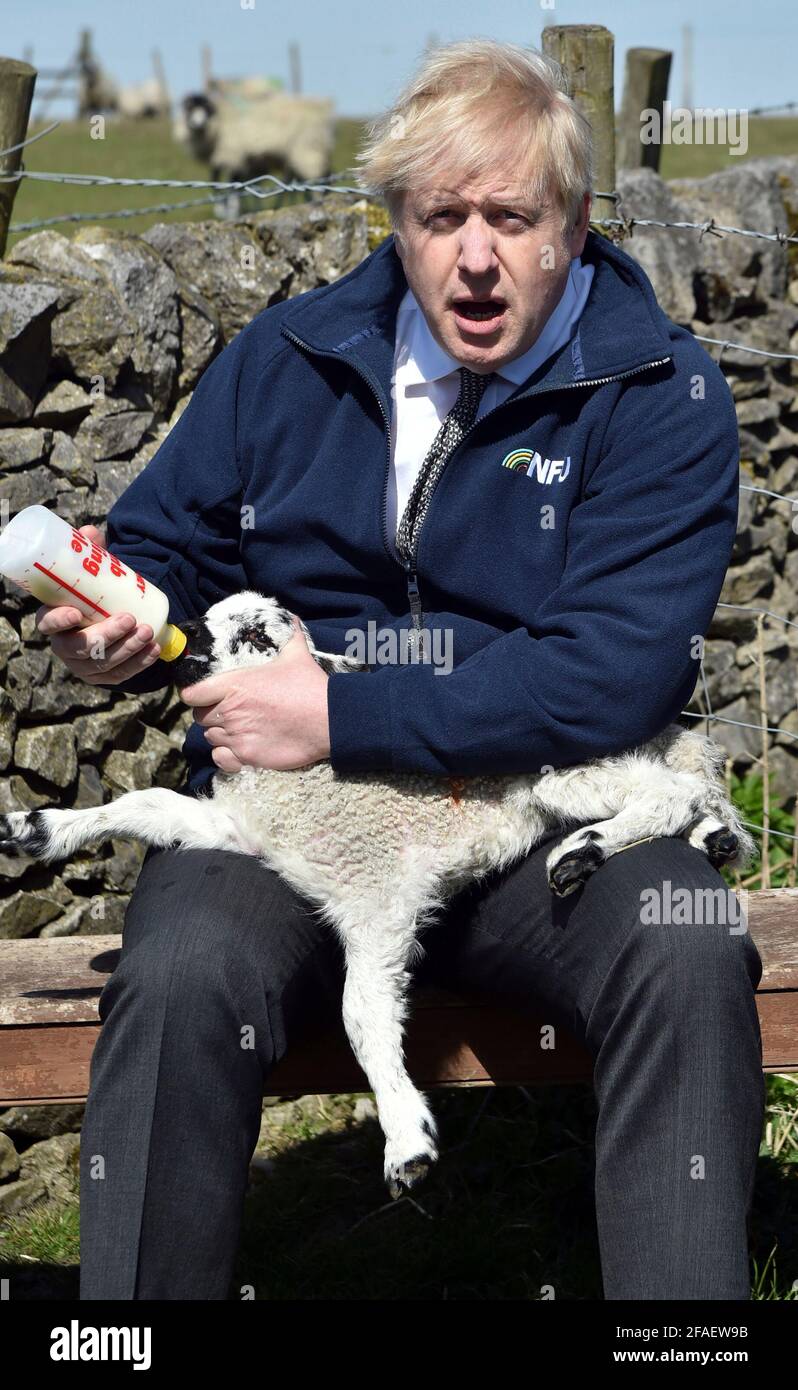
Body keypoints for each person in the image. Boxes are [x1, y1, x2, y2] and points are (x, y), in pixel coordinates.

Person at [36, 38, 763, 1300]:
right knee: (181, 964)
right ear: (396, 219)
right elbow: (164, 549)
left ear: (575, 226)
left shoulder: (661, 394)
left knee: (688, 937)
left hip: (539, 824)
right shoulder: (291, 357)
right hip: (301, 831)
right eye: (440, 218)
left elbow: (612, 677)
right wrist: (122, 624)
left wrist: (341, 710)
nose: (473, 255)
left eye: (510, 217)